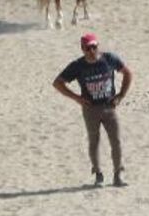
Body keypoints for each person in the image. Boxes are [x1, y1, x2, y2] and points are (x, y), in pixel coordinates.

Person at [54, 32, 133, 187]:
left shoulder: (109, 59)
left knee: (116, 141)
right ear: (82, 48)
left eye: (94, 47)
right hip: (90, 109)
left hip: (109, 107)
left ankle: (118, 175)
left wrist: (121, 95)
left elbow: (128, 73)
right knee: (94, 141)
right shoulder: (77, 66)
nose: (91, 51)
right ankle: (98, 174)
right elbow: (58, 83)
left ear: (98, 46)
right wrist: (76, 98)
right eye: (87, 48)